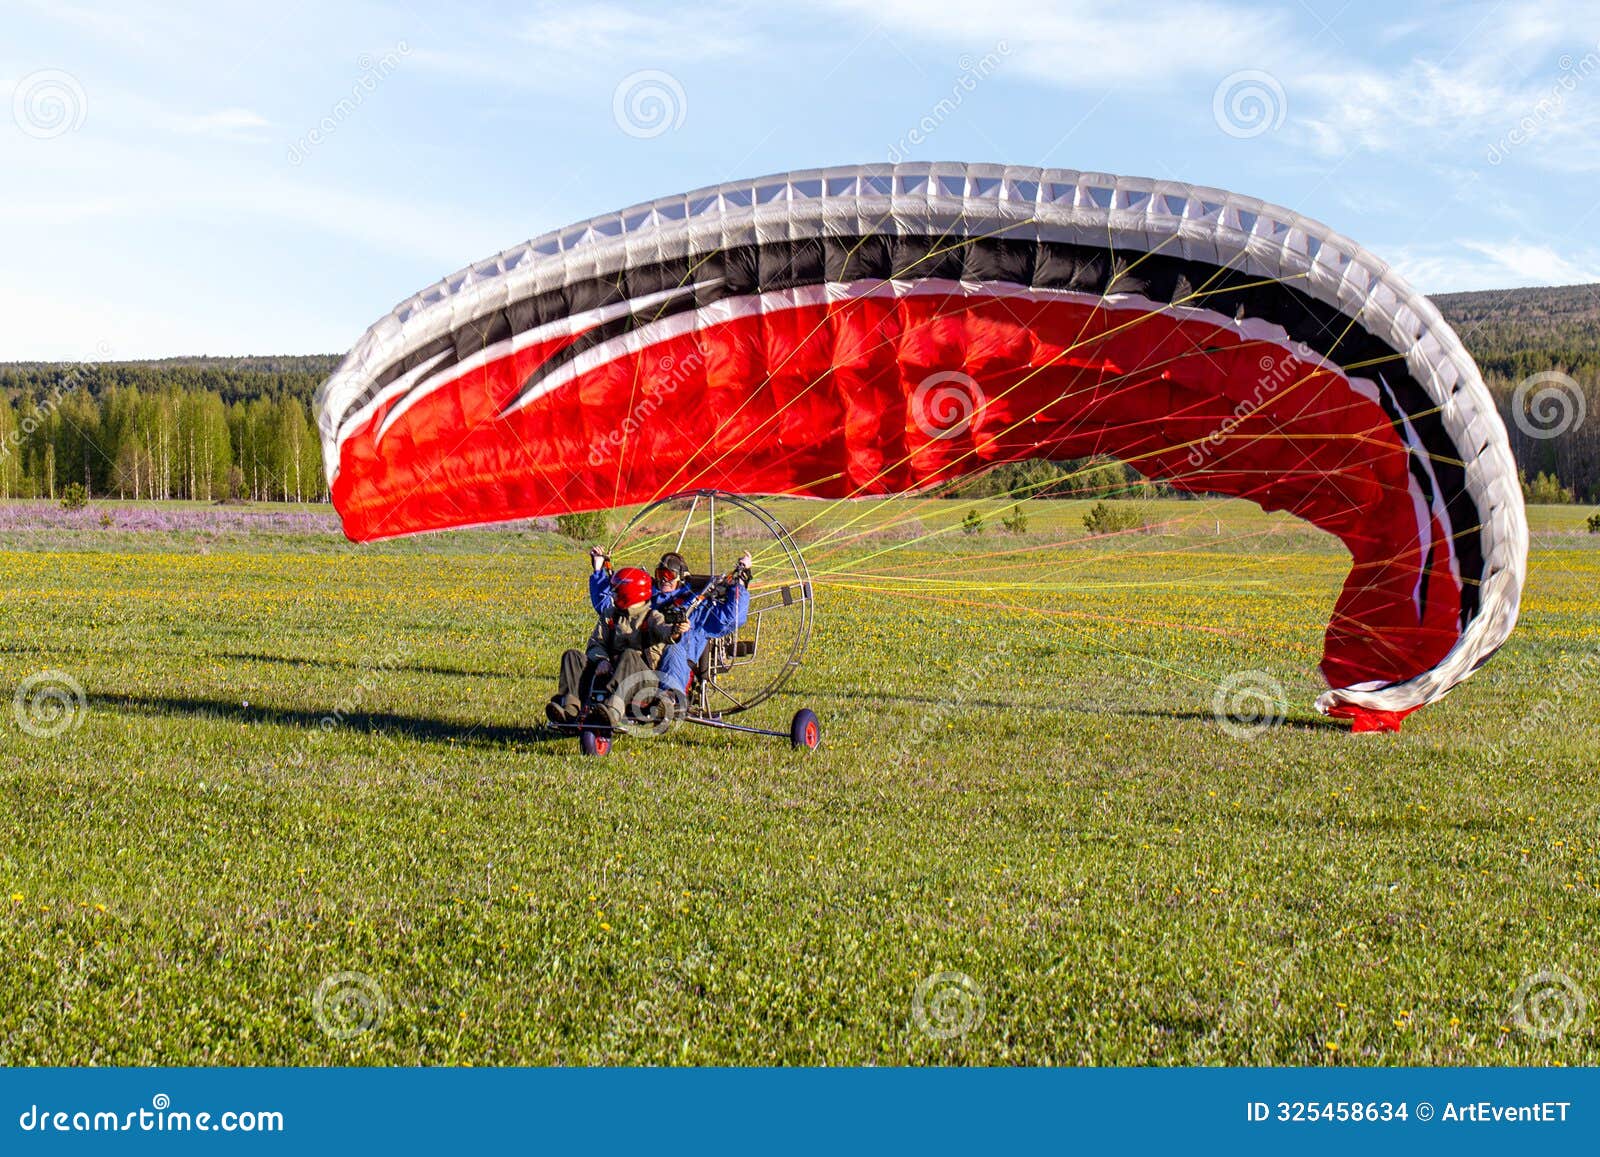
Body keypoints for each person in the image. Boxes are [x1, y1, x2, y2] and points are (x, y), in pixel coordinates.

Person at [546, 548, 673, 729]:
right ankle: (569, 708)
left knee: (629, 655)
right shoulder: (610, 615)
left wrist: (675, 631)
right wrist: (602, 659)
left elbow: (664, 631)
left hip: (642, 678)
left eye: (617, 591)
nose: (613, 595)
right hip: (609, 671)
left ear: (629, 594)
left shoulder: (653, 617)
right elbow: (596, 643)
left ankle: (613, 708)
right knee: (572, 656)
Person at [655, 550, 754, 711]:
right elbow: (608, 606)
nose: (664, 580)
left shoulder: (698, 609)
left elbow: (733, 617)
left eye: (668, 575)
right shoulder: (649, 599)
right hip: (645, 656)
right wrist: (600, 568)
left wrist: (741, 579)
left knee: (673, 648)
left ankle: (670, 697)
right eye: (660, 574)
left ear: (680, 578)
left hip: (677, 663)